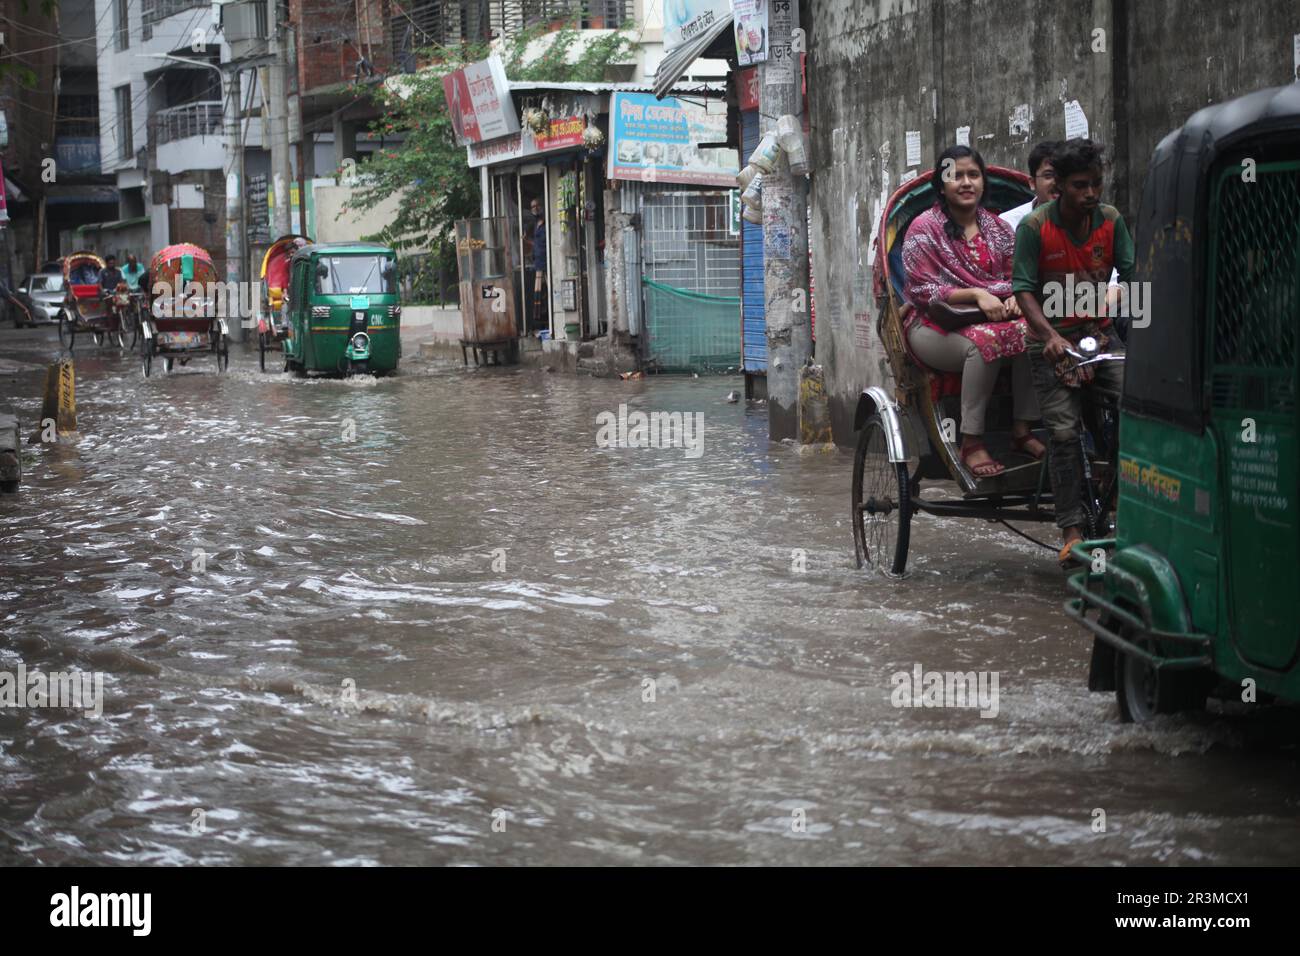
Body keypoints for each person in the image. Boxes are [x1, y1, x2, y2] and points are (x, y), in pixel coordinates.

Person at [1012, 138, 1134, 567]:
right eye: (1081, 186)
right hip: (1051, 340)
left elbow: (1135, 277)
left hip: (1097, 334)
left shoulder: (1111, 220)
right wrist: (1048, 335)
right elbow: (1022, 290)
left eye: (1096, 184)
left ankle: (1122, 503)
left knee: (1138, 412)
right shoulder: (1034, 228)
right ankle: (1070, 530)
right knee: (1063, 434)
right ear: (1059, 186)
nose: (1091, 194)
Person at [902, 144, 1044, 478]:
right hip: (932, 326)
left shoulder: (999, 229)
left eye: (973, 175)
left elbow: (1018, 277)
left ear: (983, 182)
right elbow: (923, 290)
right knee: (986, 342)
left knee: (1034, 331)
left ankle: (1023, 431)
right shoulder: (923, 228)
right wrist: (977, 294)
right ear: (942, 184)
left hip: (995, 319)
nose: (966, 182)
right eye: (956, 175)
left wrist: (1014, 297)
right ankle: (972, 442)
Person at [1000, 140, 1062, 232]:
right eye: (1048, 175)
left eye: (1063, 175)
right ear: (1032, 183)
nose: (1056, 182)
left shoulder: (1083, 222)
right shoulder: (1008, 223)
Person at [529, 198, 548, 332]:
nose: (535, 208)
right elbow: (537, 244)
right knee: (539, 296)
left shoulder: (546, 223)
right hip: (538, 263)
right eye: (533, 206)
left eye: (537, 205)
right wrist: (527, 241)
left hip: (546, 263)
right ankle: (542, 323)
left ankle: (548, 322)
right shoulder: (536, 224)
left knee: (546, 293)